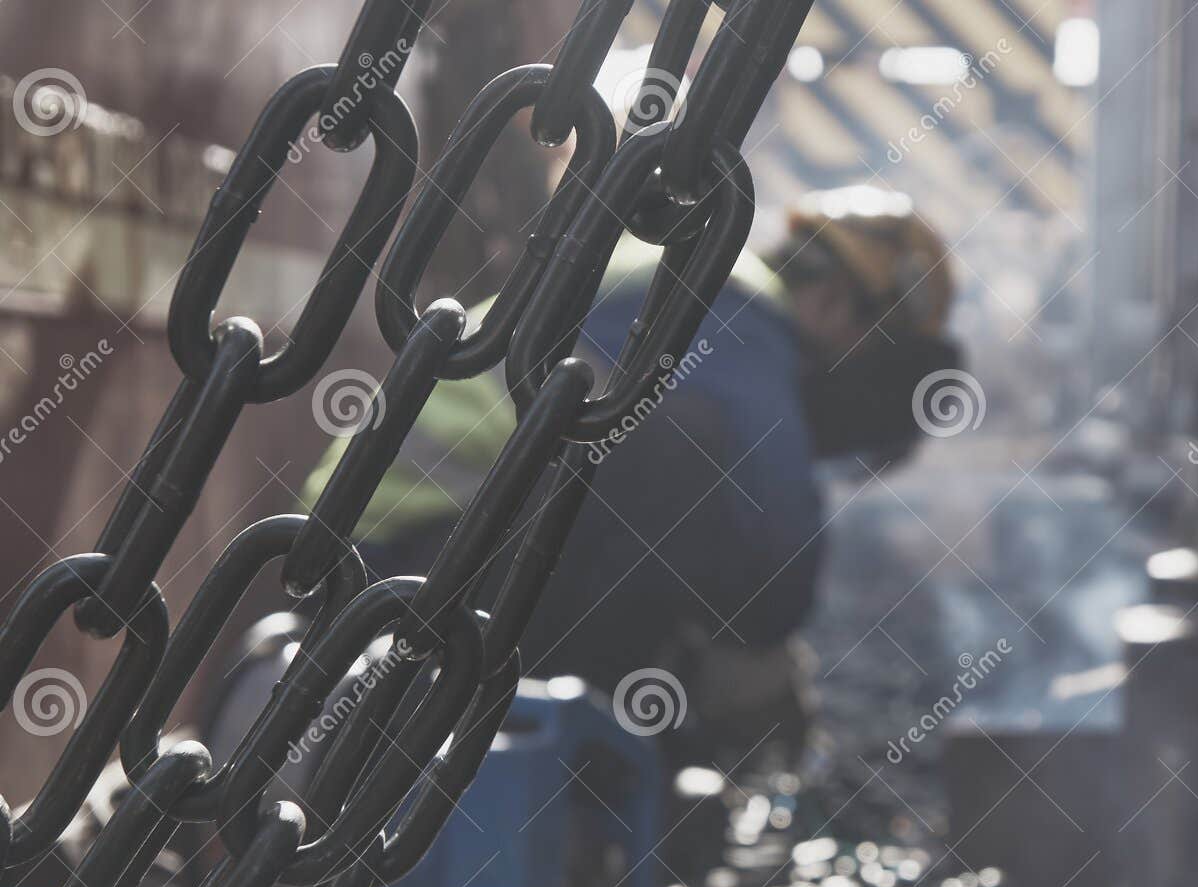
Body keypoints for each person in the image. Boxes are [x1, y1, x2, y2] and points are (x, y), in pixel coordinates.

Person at [300, 185, 961, 744]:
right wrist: (754, 670)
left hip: (392, 544)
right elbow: (777, 549)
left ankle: (606, 767)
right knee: (678, 460)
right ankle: (586, 771)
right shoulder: (733, 319)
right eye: (877, 347)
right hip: (394, 566)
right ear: (836, 303)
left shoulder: (695, 281)